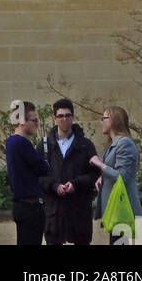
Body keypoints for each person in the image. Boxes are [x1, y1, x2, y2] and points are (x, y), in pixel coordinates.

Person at [39, 98, 98, 245]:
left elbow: (94, 175)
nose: (64, 119)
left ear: (73, 116)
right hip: (54, 212)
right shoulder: (45, 145)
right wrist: (54, 186)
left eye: (67, 115)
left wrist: (76, 184)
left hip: (79, 211)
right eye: (60, 116)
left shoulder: (85, 145)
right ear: (54, 118)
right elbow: (38, 176)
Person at [91, 105, 142, 244]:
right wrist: (102, 177)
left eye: (104, 118)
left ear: (115, 120)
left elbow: (123, 176)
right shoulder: (113, 144)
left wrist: (99, 164)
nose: (101, 121)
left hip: (123, 209)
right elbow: (116, 169)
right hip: (116, 210)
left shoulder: (124, 143)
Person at [5, 101, 49, 245]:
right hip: (30, 206)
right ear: (22, 121)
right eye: (34, 120)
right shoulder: (22, 143)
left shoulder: (11, 142)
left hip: (22, 205)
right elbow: (43, 168)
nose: (37, 124)